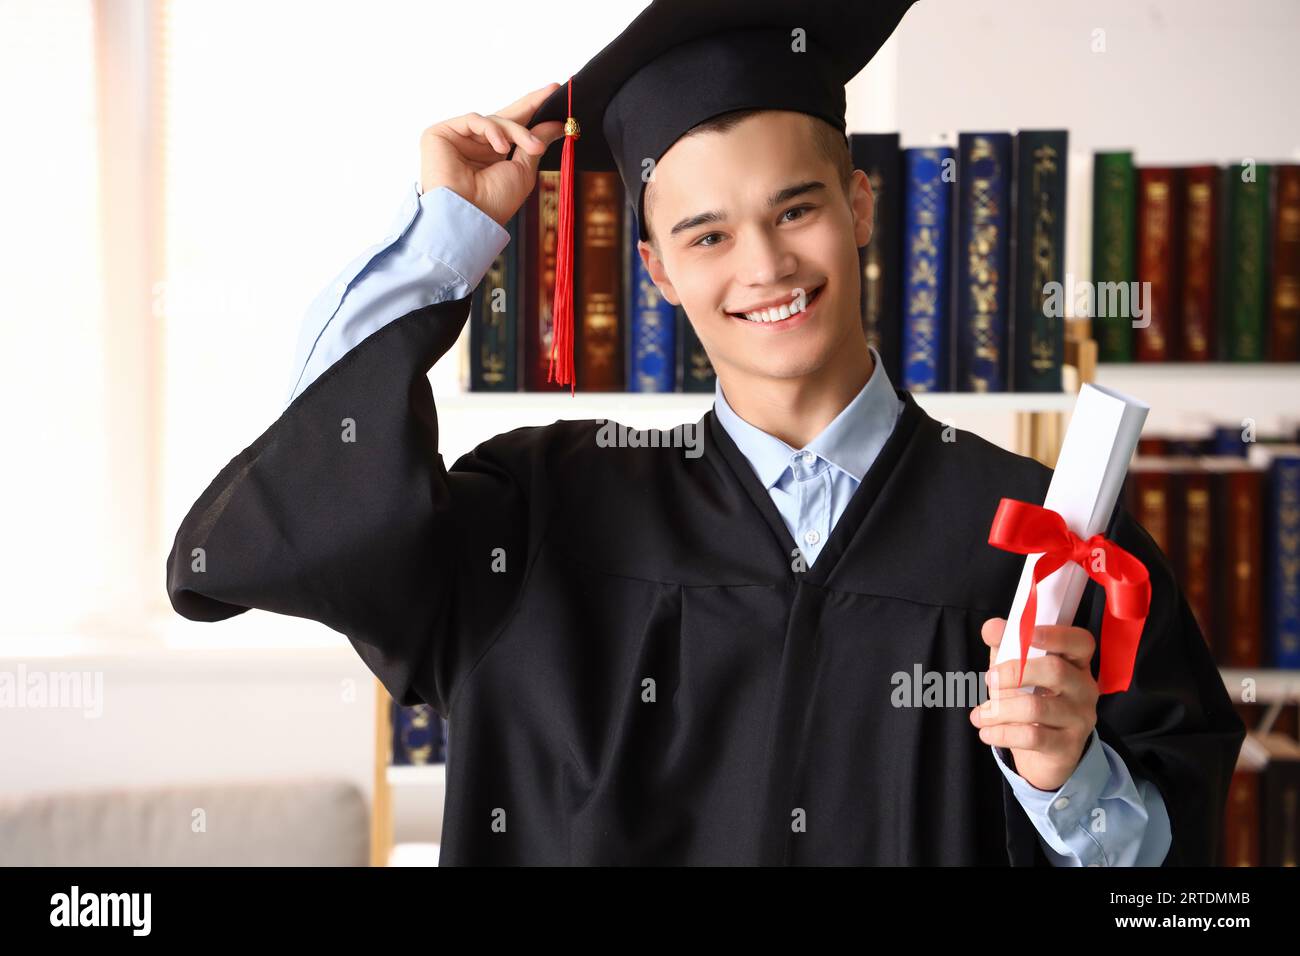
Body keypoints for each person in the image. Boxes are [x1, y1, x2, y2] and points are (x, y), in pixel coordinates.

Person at [167, 0, 1244, 866]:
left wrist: (1066, 779)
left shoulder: (1041, 545)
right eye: (706, 232)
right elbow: (310, 509)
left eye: (796, 208)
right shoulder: (536, 519)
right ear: (657, 270)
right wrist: (445, 236)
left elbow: (1169, 881)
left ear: (860, 205)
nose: (764, 265)